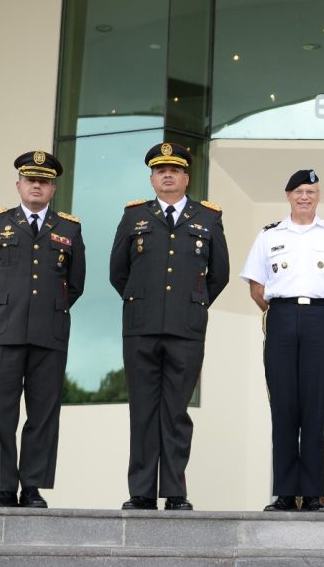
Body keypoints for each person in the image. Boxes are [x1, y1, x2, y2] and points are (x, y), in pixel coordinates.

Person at [109, 142, 229, 511]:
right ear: (152, 178)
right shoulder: (134, 217)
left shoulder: (207, 217)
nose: (167, 175)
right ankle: (141, 492)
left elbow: (219, 275)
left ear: (186, 177)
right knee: (142, 409)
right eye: (161, 170)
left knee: (176, 412)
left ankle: (175, 491)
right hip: (141, 328)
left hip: (186, 328)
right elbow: (118, 272)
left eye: (174, 170)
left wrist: (190, 304)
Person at [240, 169, 324, 512]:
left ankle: (311, 493)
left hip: (320, 319)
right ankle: (283, 493)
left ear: (318, 196)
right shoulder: (269, 236)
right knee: (283, 407)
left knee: (315, 408)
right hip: (280, 317)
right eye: (298, 192)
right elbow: (255, 287)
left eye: (310, 191)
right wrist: (281, 312)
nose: (305, 197)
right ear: (288, 196)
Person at [0, 150, 86, 508]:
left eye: (45, 181)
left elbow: (75, 284)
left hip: (49, 334)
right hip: (3, 332)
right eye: (31, 179)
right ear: (19, 184)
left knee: (43, 413)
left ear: (53, 189)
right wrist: (0, 310)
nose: (37, 185)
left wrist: (46, 312)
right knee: (0, 411)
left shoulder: (69, 228)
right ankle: (3, 487)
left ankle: (32, 486)